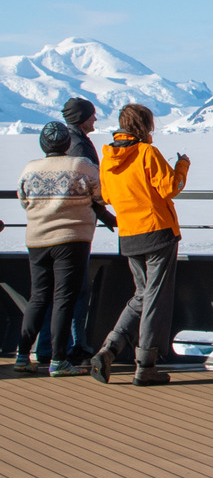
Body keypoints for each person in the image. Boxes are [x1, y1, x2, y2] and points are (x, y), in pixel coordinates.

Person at [88, 103, 190, 386]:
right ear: (145, 125)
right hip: (157, 231)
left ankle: (109, 349)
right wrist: (182, 164)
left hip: (129, 234)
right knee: (155, 297)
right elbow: (170, 187)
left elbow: (107, 196)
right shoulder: (147, 152)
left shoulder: (108, 159)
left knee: (142, 295)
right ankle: (146, 364)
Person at [14, 122, 101, 376]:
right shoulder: (81, 165)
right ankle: (58, 360)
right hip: (72, 238)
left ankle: (22, 356)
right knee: (64, 298)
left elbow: (23, 199)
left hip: (37, 239)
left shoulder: (30, 169)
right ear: (66, 144)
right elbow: (101, 193)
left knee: (38, 297)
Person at [34, 96, 114, 365]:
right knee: (71, 291)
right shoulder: (77, 145)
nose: (95, 119)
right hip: (72, 229)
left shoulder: (69, 140)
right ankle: (68, 348)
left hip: (48, 229)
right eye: (92, 115)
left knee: (53, 291)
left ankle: (44, 349)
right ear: (82, 117)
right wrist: (104, 214)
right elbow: (85, 186)